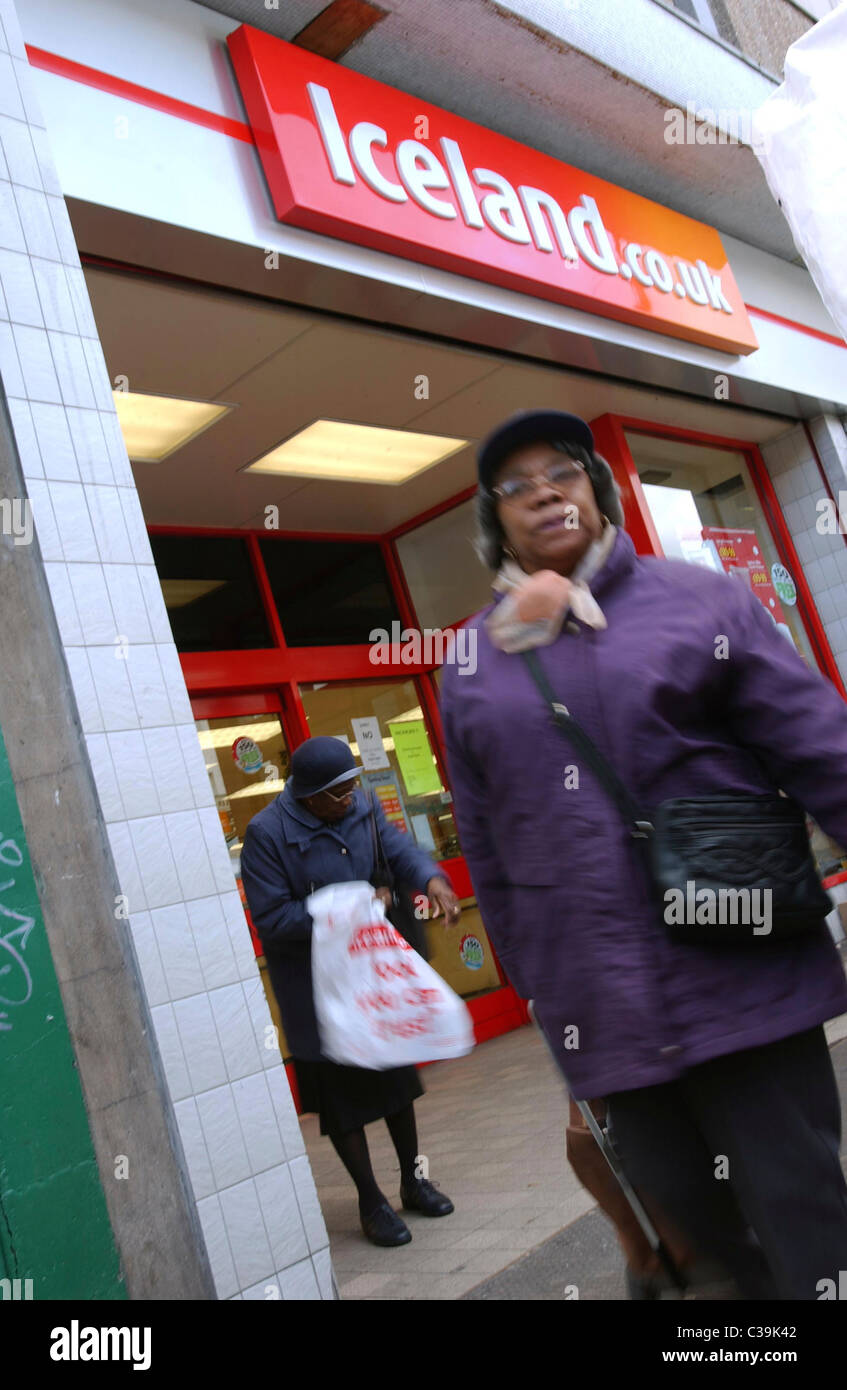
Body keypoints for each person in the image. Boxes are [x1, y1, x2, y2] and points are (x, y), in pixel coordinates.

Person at [440, 408, 847, 1300]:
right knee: (697, 1261)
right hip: (603, 1017)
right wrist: (543, 999)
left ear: (597, 490)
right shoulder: (470, 662)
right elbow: (488, 845)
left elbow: (825, 753)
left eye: (565, 473)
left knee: (807, 1227)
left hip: (746, 983)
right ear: (492, 520)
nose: (544, 491)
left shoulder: (701, 602)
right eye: (515, 485)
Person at [240, 735, 461, 1248]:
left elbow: (398, 847)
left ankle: (413, 1180)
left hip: (370, 975)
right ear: (309, 795)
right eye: (339, 794)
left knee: (396, 1082)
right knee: (342, 1099)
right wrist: (355, 906)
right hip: (317, 986)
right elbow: (273, 919)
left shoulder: (357, 804)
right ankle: (371, 1202)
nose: (350, 799)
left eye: (352, 788)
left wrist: (430, 879)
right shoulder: (266, 834)